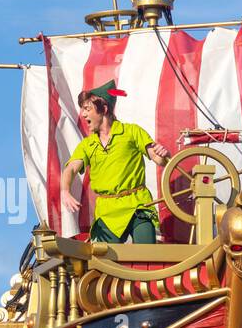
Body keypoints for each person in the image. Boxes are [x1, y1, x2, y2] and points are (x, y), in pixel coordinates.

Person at [61, 80, 171, 243]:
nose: (83, 115)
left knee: (147, 254)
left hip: (137, 204)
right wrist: (65, 190)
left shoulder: (132, 132)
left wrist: (164, 154)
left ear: (103, 109)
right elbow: (70, 169)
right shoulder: (87, 145)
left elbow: (158, 158)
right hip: (107, 212)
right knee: (105, 262)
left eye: (87, 109)